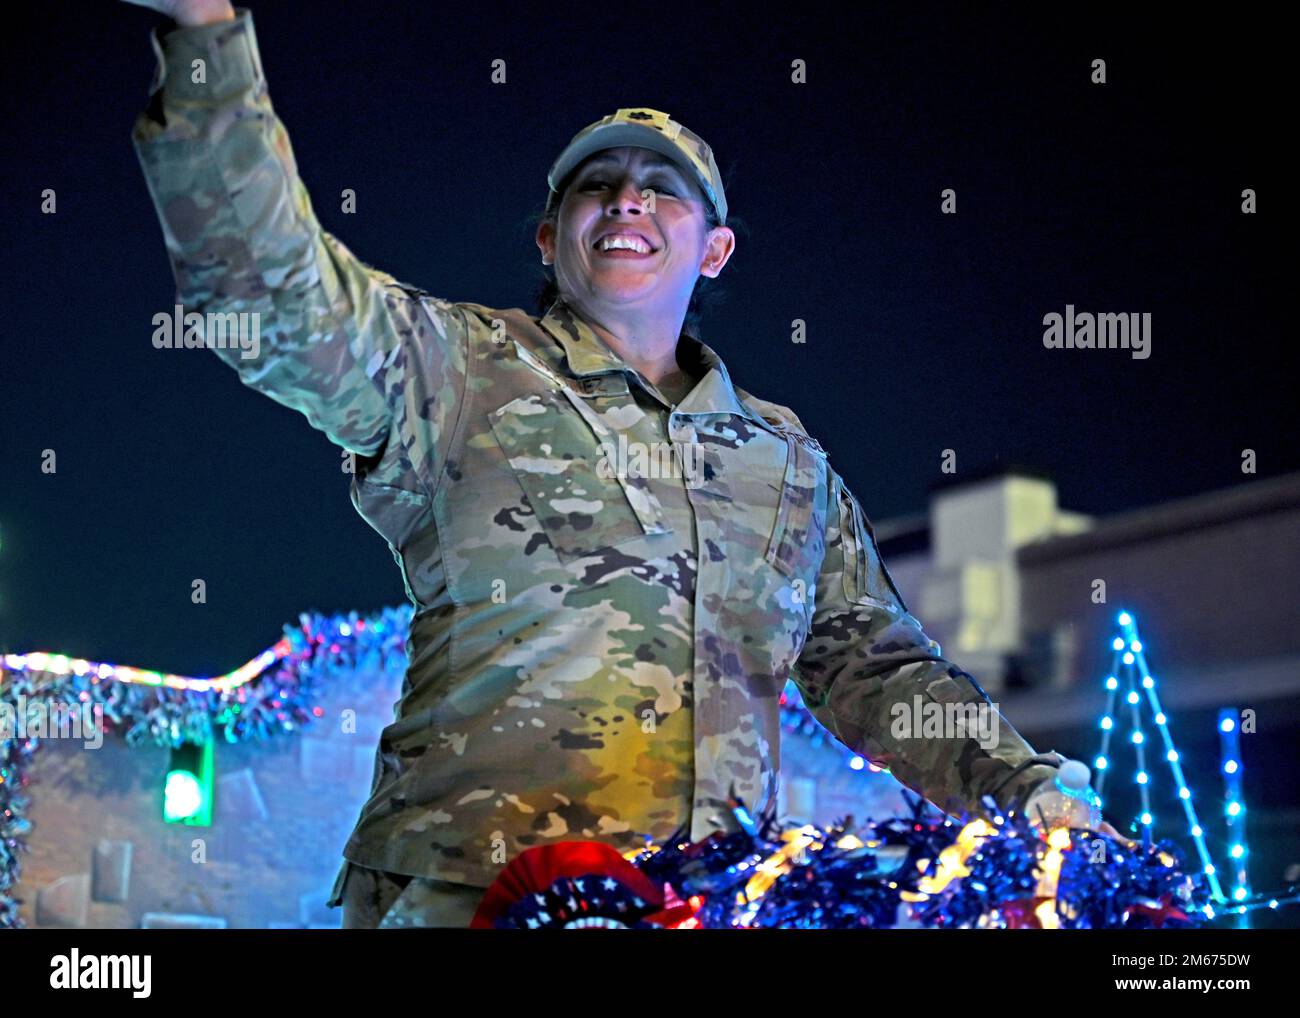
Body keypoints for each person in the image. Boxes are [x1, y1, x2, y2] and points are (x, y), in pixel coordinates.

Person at [127, 1, 1122, 929]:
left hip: (705, 904)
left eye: (662, 188)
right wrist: (206, 30)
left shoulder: (785, 461)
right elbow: (268, 296)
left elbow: (874, 666)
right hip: (469, 897)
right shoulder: (457, 372)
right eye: (596, 186)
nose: (626, 201)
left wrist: (1027, 790)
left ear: (716, 249)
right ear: (550, 236)